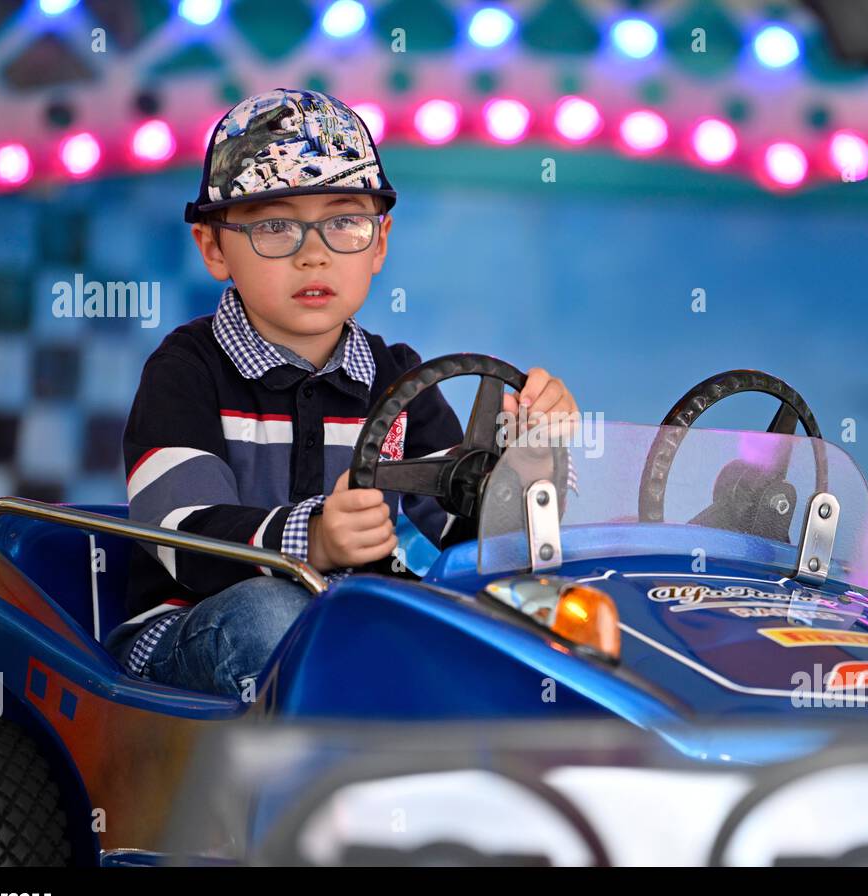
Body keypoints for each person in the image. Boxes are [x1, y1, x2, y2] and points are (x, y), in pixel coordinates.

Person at [104, 89, 578, 697]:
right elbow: (180, 533)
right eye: (275, 226)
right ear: (214, 248)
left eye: (343, 222)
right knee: (274, 614)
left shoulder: (401, 382)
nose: (314, 254)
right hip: (196, 632)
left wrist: (525, 467)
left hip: (356, 634)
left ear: (379, 242)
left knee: (513, 618)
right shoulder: (187, 370)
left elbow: (458, 547)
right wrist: (315, 539)